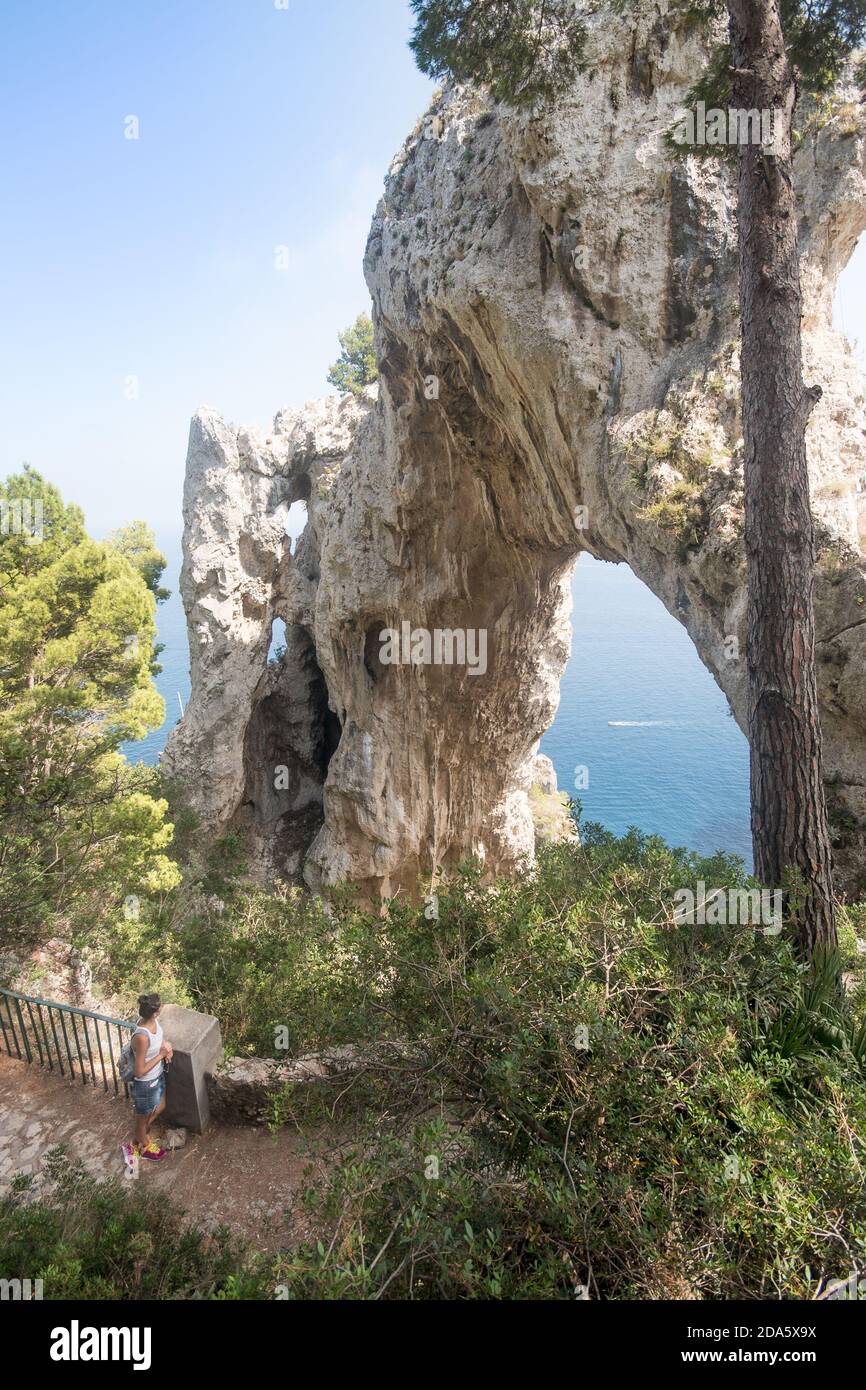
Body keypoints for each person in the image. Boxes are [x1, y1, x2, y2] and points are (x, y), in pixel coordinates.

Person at [121, 993, 173, 1167]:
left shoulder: (153, 1022)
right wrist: (161, 1055)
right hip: (146, 1084)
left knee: (161, 1107)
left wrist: (166, 1046)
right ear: (156, 1012)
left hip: (157, 1076)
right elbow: (139, 1071)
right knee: (142, 1118)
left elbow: (158, 1039)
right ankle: (142, 1145)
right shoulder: (142, 1037)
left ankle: (137, 1138)